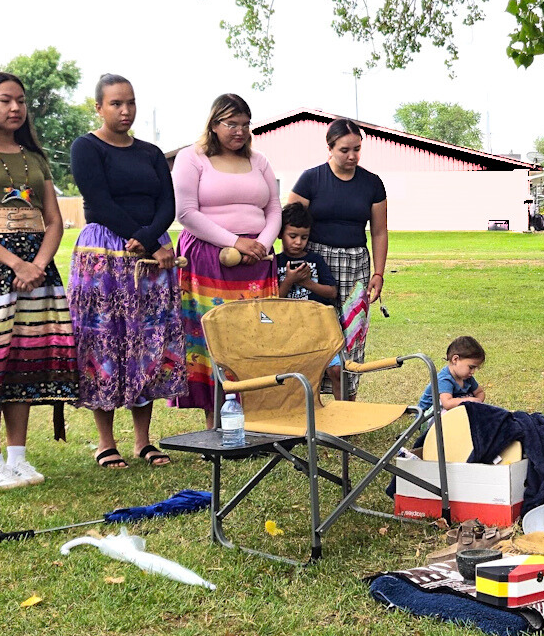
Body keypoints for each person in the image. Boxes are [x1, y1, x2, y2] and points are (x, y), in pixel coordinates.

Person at [69, 74, 187, 469]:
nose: (125, 110)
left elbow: (167, 204)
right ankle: (106, 442)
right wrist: (144, 238)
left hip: (150, 257)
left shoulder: (152, 152)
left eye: (131, 102)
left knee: (148, 340)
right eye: (116, 103)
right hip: (104, 253)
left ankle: (143, 441)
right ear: (99, 107)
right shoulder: (86, 147)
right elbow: (98, 202)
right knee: (103, 341)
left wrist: (152, 239)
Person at [0, 72, 78, 489]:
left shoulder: (35, 158)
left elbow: (54, 220)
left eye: (20, 101)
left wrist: (37, 263)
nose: (15, 108)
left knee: (25, 360)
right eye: (6, 100)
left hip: (36, 270)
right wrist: (15, 264)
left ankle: (18, 458)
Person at [172, 94, 281, 427]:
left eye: (245, 124)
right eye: (231, 124)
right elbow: (186, 212)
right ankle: (215, 421)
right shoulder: (192, 158)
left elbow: (274, 208)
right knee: (212, 339)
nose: (239, 131)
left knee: (255, 336)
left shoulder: (259, 160)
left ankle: (256, 418)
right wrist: (235, 242)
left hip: (256, 264)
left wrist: (260, 245)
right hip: (208, 260)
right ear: (214, 124)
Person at [286, 118, 387, 399]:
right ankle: (310, 404)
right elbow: (290, 222)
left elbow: (379, 232)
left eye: (357, 149)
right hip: (316, 265)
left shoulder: (372, 183)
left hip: (356, 265)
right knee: (314, 333)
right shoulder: (311, 179)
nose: (352, 156)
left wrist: (378, 274)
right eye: (344, 150)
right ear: (329, 148)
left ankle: (348, 405)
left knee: (352, 334)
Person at [276, 202, 342, 396]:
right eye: (292, 236)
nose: (298, 242)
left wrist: (307, 283)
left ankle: (343, 414)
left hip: (319, 327)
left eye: (304, 237)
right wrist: (289, 280)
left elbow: (331, 293)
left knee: (337, 371)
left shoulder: (316, 260)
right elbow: (273, 300)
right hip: (289, 331)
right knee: (298, 377)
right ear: (280, 234)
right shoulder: (274, 262)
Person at [417, 336, 486, 417]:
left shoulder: (467, 377)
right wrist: (469, 400)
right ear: (455, 359)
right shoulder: (444, 379)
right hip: (429, 416)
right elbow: (447, 403)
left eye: (475, 368)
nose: (473, 372)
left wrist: (477, 403)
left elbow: (479, 392)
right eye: (471, 367)